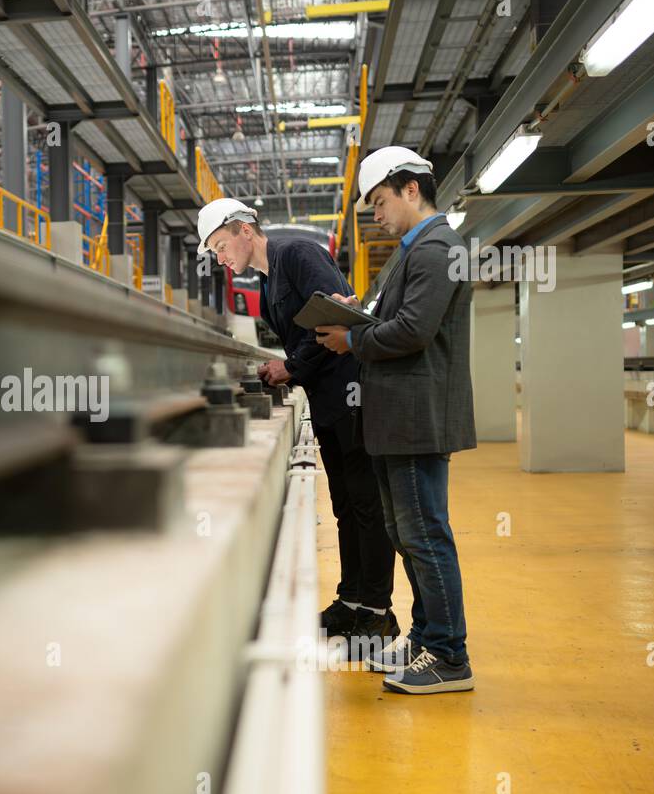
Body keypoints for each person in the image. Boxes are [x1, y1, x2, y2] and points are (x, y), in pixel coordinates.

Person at [197, 198, 398, 656]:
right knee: (347, 504)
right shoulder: (268, 283)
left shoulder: (297, 255)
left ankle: (378, 613)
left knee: (366, 504)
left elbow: (336, 318)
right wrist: (290, 367)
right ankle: (351, 599)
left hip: (351, 394)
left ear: (244, 230)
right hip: (327, 400)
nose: (221, 258)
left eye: (221, 245)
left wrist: (293, 366)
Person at [314, 147, 476, 694]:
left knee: (425, 536)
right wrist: (356, 310)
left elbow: (412, 331)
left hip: (414, 418)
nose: (375, 214)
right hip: (393, 418)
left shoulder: (437, 249)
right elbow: (395, 316)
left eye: (380, 202)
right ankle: (427, 636)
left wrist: (351, 337)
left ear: (411, 189)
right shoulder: (410, 253)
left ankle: (450, 656)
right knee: (405, 535)